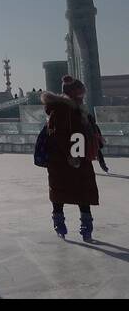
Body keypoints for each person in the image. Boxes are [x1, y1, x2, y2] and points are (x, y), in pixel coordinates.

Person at [42, 76, 100, 241]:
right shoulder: (65, 110)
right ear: (73, 92)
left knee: (76, 192)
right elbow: (63, 135)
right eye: (81, 91)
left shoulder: (75, 109)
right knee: (71, 192)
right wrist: (74, 155)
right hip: (67, 159)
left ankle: (80, 225)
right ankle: (66, 224)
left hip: (69, 158)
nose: (83, 94)